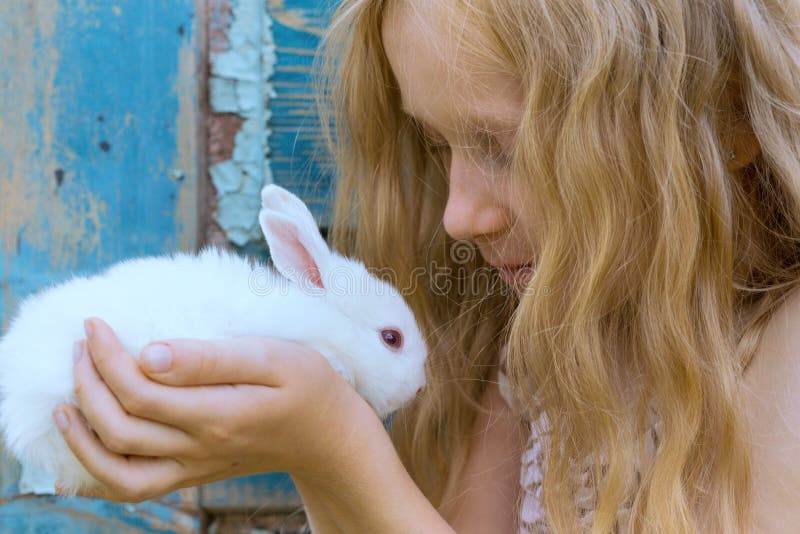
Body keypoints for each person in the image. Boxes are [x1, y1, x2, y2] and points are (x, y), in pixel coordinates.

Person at [52, 0, 800, 532]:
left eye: (502, 147)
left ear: (727, 122)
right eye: (440, 147)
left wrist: (340, 449)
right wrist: (319, 452)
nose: (457, 216)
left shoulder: (783, 359)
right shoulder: (536, 365)